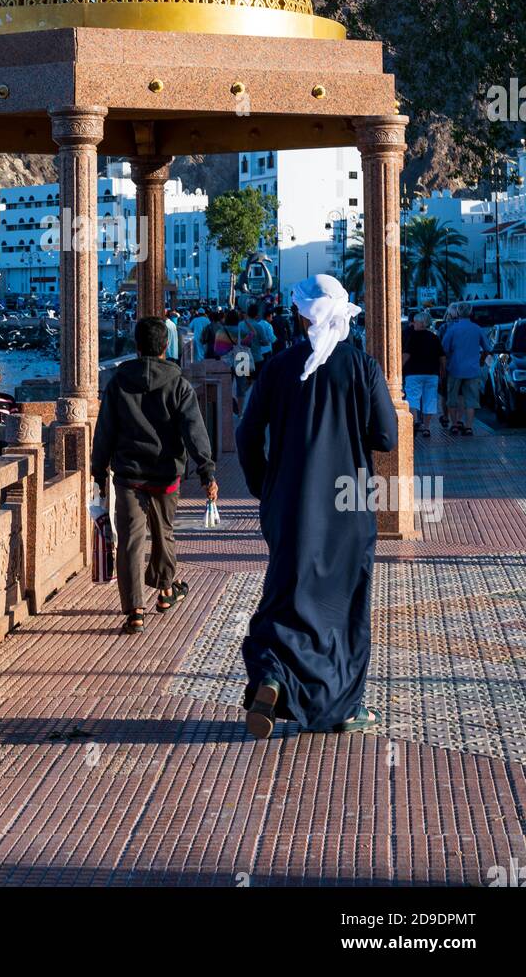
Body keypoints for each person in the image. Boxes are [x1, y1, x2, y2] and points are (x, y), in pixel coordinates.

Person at [236, 275, 398, 738]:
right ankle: (344, 709)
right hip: (346, 506)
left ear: (301, 315)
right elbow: (385, 436)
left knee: (287, 593)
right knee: (342, 606)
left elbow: (248, 434)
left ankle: (271, 674)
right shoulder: (361, 366)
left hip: (288, 504)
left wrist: (263, 485)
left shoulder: (278, 366)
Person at [91, 316, 218, 636]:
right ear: (166, 346)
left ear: (136, 347)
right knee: (164, 535)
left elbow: (105, 429)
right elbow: (194, 430)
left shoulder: (119, 382)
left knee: (130, 542)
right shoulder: (178, 383)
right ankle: (164, 591)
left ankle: (134, 610)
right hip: (165, 475)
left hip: (129, 476)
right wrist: (207, 471)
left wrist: (97, 469)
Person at [441, 301, 489, 436]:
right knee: (471, 401)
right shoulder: (477, 329)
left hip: (455, 368)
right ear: (471, 312)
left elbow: (444, 349)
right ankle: (468, 427)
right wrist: (480, 361)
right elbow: (487, 348)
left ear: (457, 313)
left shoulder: (452, 330)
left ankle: (454, 424)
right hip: (473, 370)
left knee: (452, 399)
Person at [402, 311, 444, 437]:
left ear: (421, 323)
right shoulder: (434, 337)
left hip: (413, 373)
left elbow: (406, 355)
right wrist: (443, 371)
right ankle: (427, 428)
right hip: (432, 373)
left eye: (415, 321)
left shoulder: (412, 337)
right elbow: (442, 357)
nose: (413, 324)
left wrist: (399, 369)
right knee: (430, 399)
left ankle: (415, 421)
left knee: (412, 398)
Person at [246, 301, 275, 372]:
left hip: (242, 356)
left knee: (243, 379)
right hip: (256, 356)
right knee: (257, 377)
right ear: (257, 315)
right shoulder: (258, 326)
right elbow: (266, 342)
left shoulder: (241, 324)